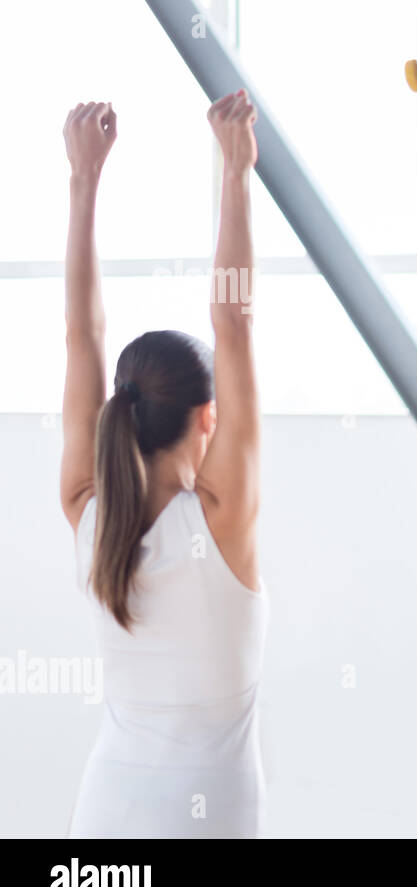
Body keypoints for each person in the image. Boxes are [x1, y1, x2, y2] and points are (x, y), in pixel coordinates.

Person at [61, 91, 269, 837]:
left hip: (105, 812)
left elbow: (81, 336)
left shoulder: (89, 509)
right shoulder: (223, 522)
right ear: (207, 419)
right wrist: (235, 172)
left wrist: (83, 183)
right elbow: (234, 322)